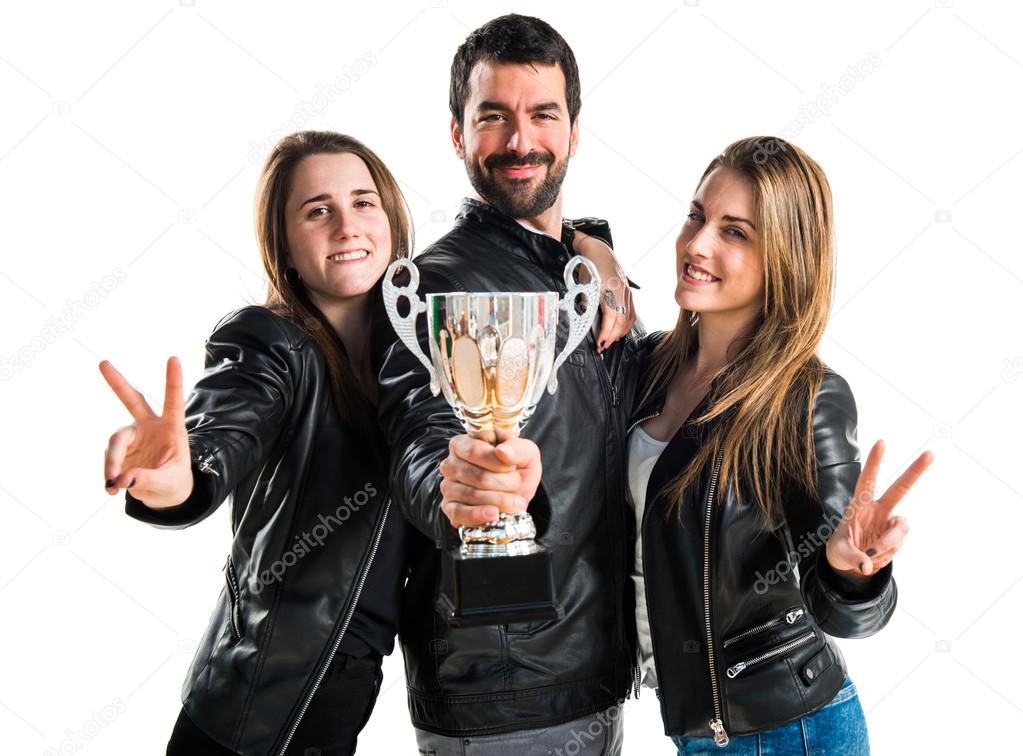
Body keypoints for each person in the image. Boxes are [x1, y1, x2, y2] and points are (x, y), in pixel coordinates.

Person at [99, 131, 416, 756]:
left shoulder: (415, 354)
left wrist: (587, 239)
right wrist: (179, 477)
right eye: (317, 210)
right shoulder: (270, 345)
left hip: (340, 700)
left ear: (392, 221)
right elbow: (223, 431)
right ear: (286, 246)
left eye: (363, 202)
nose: (346, 226)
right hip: (251, 715)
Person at [374, 14, 639, 755]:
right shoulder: (436, 287)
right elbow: (418, 442)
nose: (520, 141)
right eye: (493, 117)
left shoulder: (586, 281)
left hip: (595, 674)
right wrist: (460, 489)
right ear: (457, 135)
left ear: (574, 130)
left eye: (542, 114)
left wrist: (594, 243)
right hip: (499, 697)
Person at [627, 136, 933, 754]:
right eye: (697, 215)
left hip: (788, 731)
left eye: (734, 232)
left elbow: (841, 609)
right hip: (695, 725)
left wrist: (853, 572)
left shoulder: (806, 398)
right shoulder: (649, 367)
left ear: (784, 259)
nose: (698, 244)